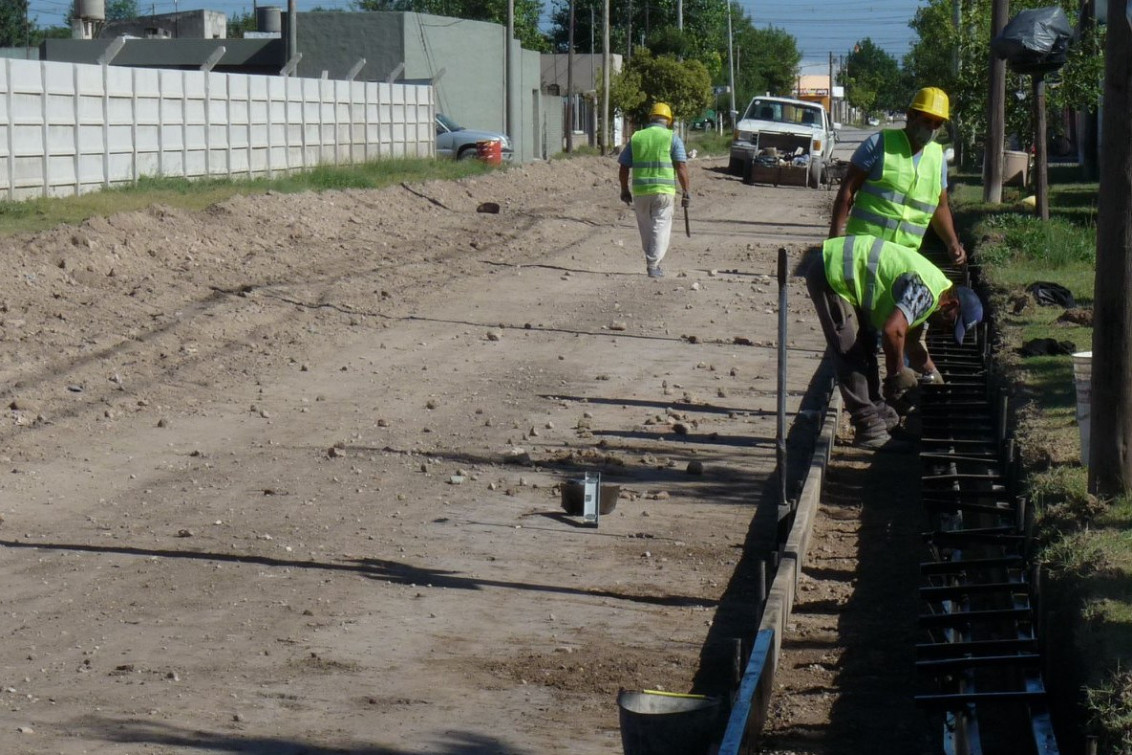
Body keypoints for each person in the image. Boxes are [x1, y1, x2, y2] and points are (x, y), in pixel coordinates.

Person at [805, 234, 984, 450]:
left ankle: (881, 415)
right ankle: (868, 428)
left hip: (845, 274)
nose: (946, 330)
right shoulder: (926, 291)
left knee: (867, 347)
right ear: (951, 305)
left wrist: (933, 374)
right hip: (833, 273)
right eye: (951, 324)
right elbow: (893, 331)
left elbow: (912, 343)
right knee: (850, 353)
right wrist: (896, 373)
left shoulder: (936, 294)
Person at [829, 87, 967, 266]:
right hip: (864, 250)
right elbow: (847, 192)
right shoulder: (879, 144)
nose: (931, 128)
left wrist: (952, 243)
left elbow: (940, 207)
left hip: (903, 258)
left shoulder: (937, 158)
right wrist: (833, 241)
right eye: (927, 121)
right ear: (911, 116)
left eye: (937, 124)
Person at [618, 103, 691, 278]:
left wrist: (624, 190)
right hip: (664, 192)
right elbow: (681, 166)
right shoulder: (672, 138)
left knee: (646, 228)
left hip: (641, 192)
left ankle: (652, 260)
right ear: (669, 120)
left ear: (651, 118)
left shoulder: (637, 137)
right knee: (660, 227)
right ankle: (653, 265)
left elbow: (623, 167)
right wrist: (686, 191)